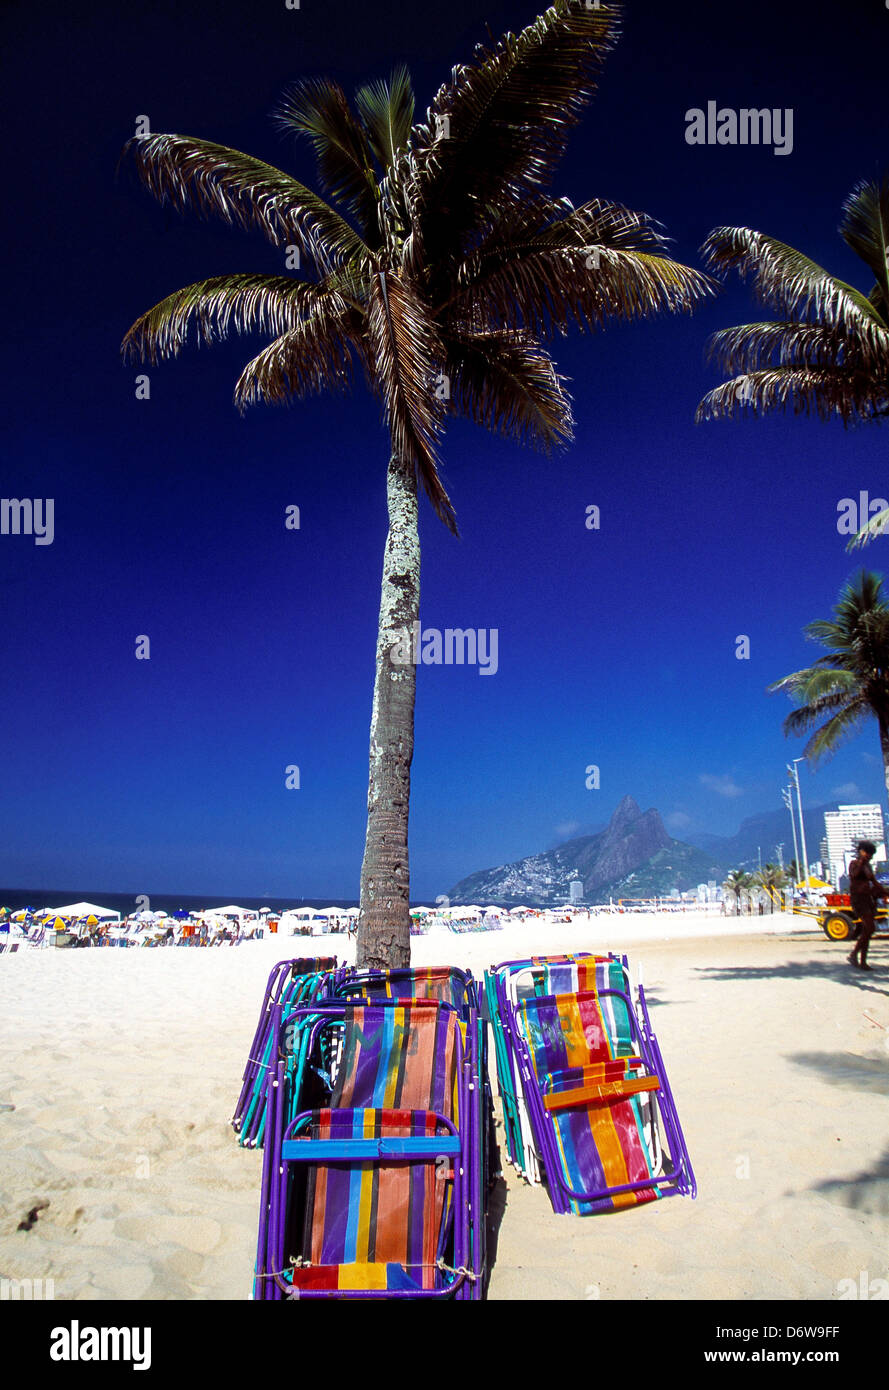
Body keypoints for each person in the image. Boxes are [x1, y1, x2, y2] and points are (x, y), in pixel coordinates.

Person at [847, 840, 887, 972]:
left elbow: (874, 882)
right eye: (869, 854)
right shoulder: (854, 864)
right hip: (858, 900)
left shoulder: (868, 866)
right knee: (869, 927)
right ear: (862, 852)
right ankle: (854, 955)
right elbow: (854, 875)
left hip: (868, 899)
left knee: (868, 930)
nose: (870, 856)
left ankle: (861, 960)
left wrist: (885, 892)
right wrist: (862, 861)